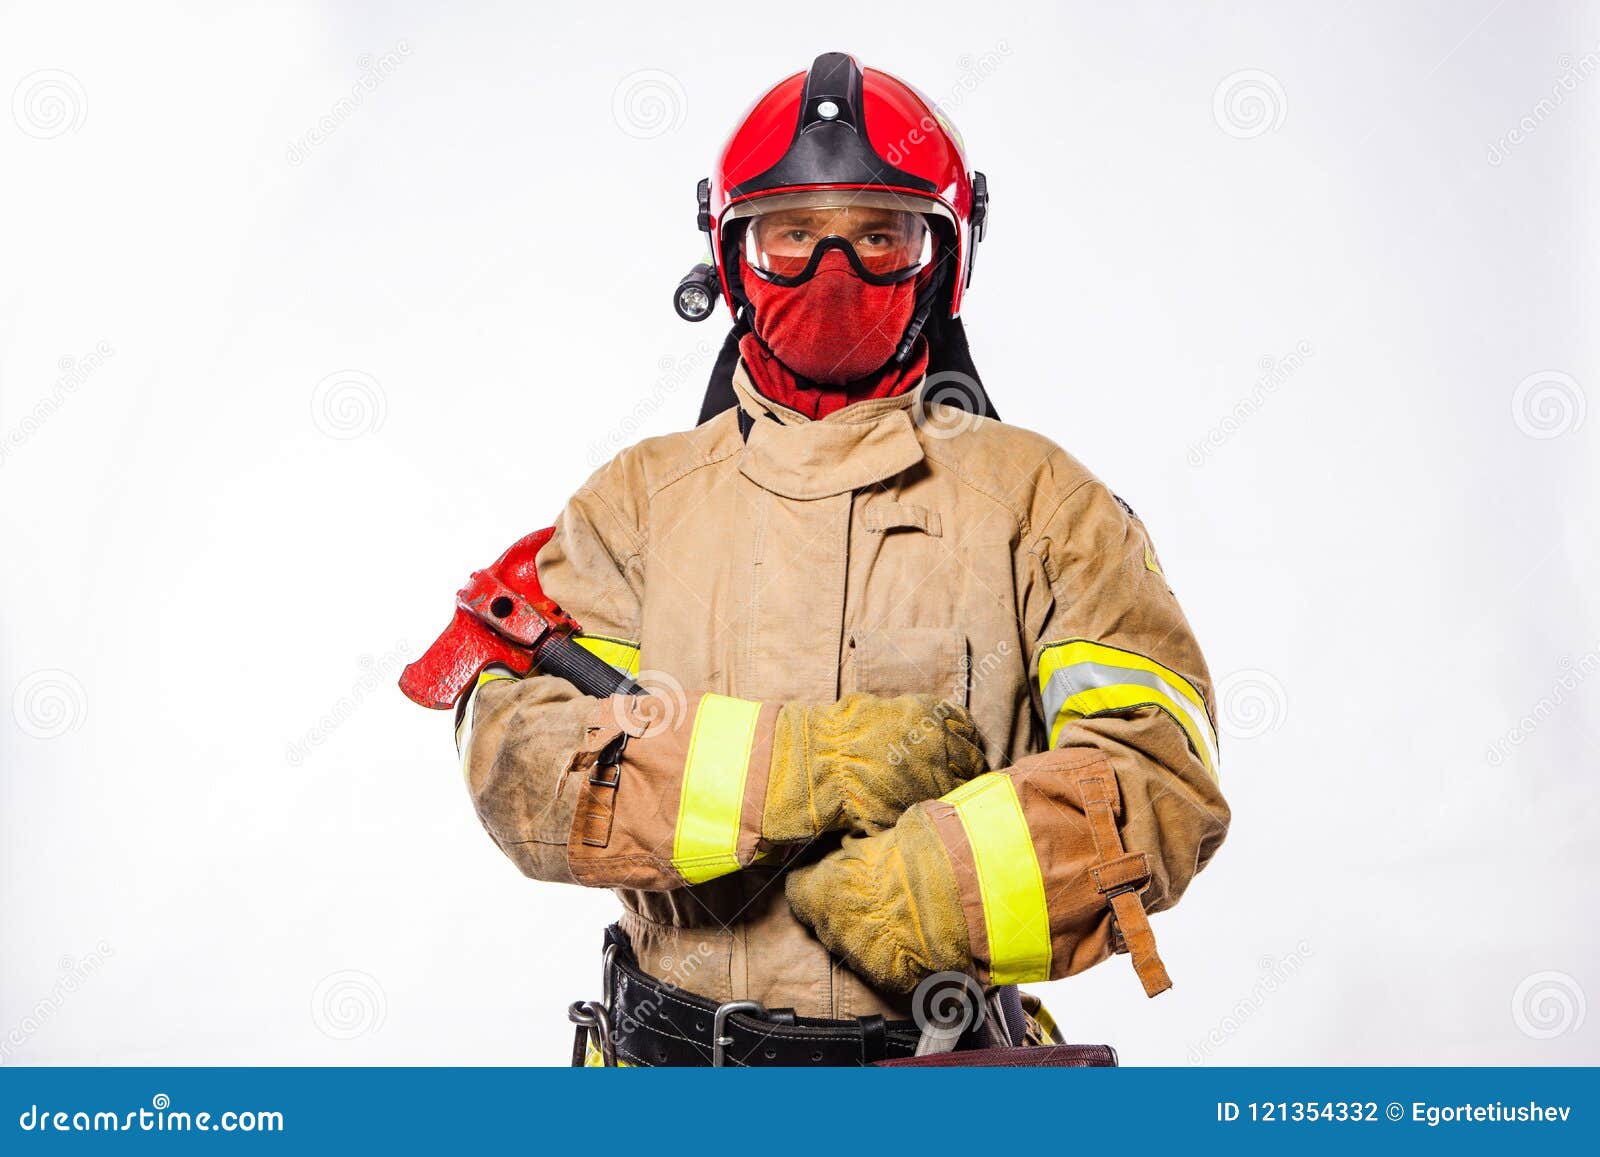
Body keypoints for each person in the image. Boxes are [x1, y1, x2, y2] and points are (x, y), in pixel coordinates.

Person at [454, 52, 1230, 1066]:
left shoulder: (1047, 507)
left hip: (936, 1077)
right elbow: (518, 759)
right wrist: (792, 766)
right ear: (732, 257)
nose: (834, 271)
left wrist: (939, 888)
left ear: (941, 257)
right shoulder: (636, 504)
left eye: (878, 235)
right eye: (792, 234)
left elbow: (1161, 777)